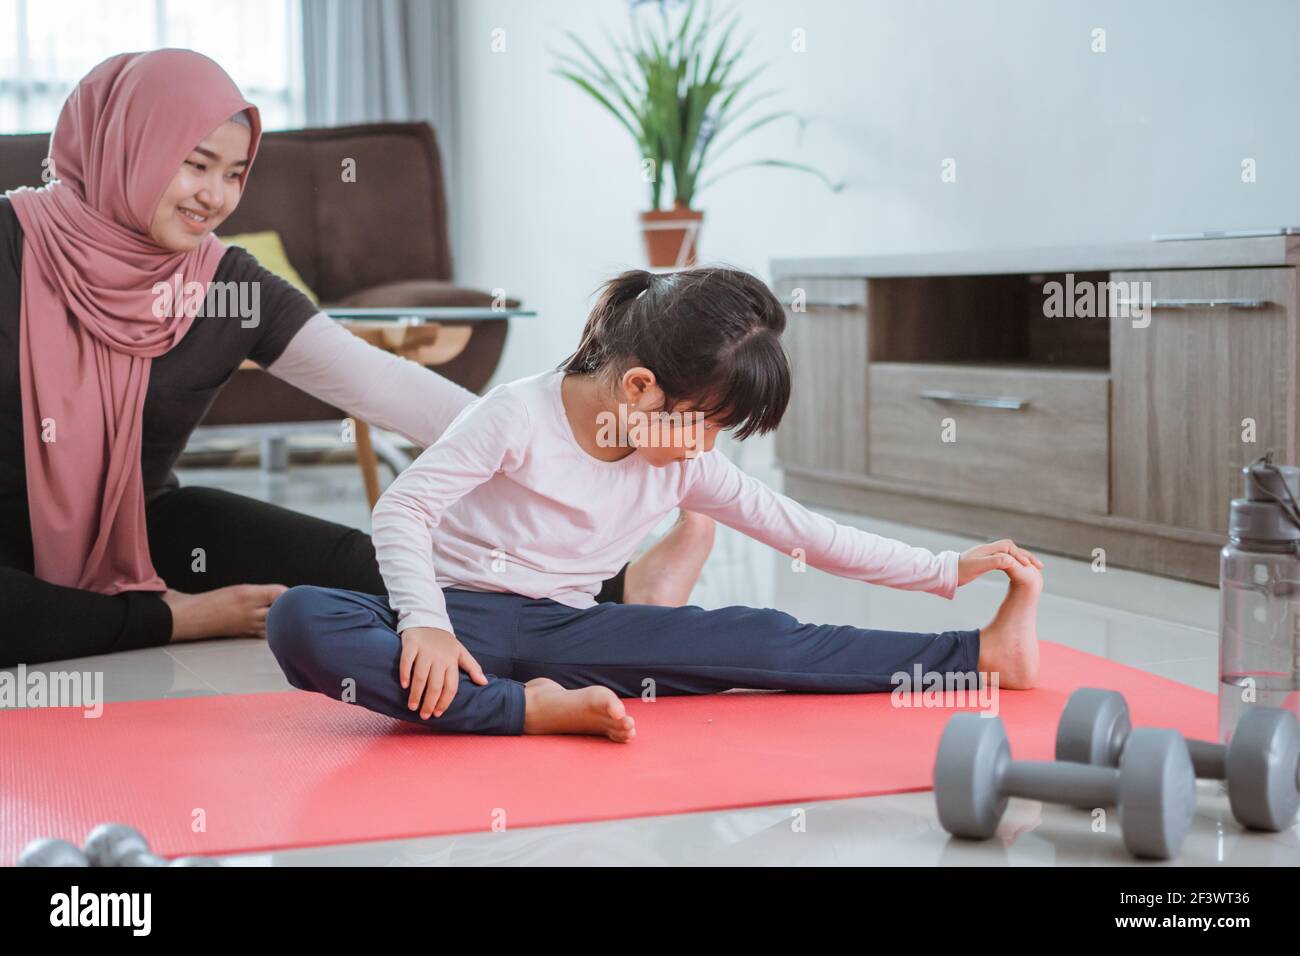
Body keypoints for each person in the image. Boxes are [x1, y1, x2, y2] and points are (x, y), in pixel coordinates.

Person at [0, 49, 713, 668]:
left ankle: (621, 592)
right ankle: (168, 617)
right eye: (195, 165)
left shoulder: (227, 287)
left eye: (235, 173)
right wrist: (176, 618)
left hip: (136, 532)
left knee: (364, 564)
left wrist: (567, 444)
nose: (214, 197)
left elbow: (387, 387)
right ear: (129, 145)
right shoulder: (10, 242)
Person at [266, 266, 1045, 742]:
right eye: (704, 423)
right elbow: (403, 509)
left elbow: (807, 534)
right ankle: (522, 711)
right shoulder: (516, 415)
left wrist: (944, 568)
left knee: (761, 638)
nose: (709, 447)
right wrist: (426, 624)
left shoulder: (683, 464)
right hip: (457, 616)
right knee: (301, 620)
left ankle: (978, 655)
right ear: (640, 387)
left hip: (571, 632)